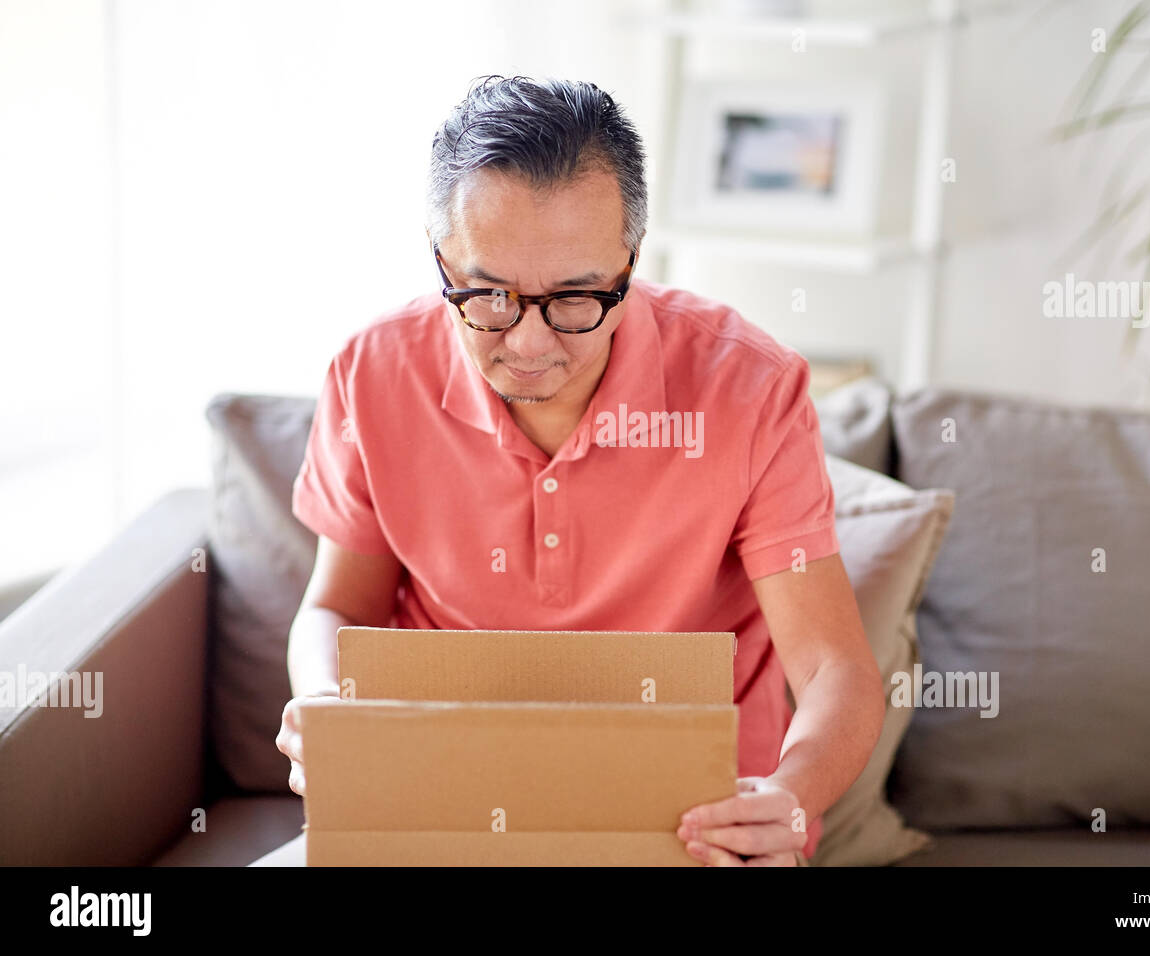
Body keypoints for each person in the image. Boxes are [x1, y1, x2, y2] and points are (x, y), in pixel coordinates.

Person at [262, 75, 884, 867]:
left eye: (575, 296)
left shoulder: (752, 389)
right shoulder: (371, 372)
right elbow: (336, 608)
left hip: (694, 824)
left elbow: (836, 668)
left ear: (630, 261)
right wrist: (322, 701)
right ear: (440, 255)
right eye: (488, 295)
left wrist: (787, 801)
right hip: (434, 803)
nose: (527, 343)